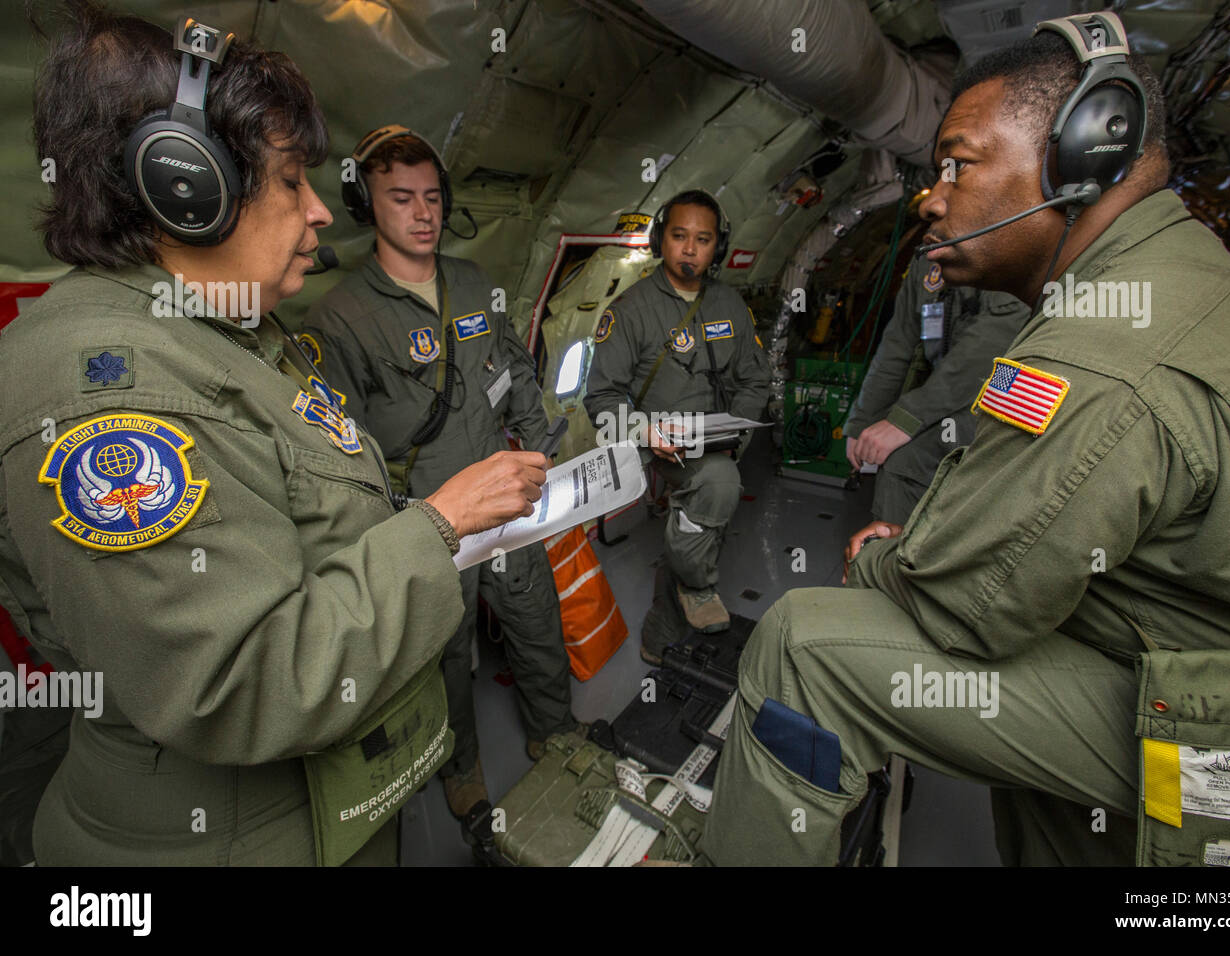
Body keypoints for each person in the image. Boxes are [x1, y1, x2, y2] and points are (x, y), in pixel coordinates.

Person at [699, 13, 1230, 866]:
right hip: (1217, 653)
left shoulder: (1103, 356)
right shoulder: (1178, 278)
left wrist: (885, 559)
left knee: (803, 648)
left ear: (1083, 153)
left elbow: (967, 605)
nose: (930, 194)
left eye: (958, 164)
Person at [0, 4, 545, 865]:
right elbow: (242, 682)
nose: (322, 212)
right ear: (185, 183)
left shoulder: (229, 329)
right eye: (292, 180)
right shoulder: (110, 395)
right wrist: (437, 525)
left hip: (334, 798)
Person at [301, 128, 581, 820]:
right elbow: (340, 451)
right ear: (366, 204)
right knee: (444, 652)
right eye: (400, 198)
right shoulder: (339, 320)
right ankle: (460, 766)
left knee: (536, 620)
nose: (422, 213)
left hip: (507, 501)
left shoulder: (476, 285)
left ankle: (557, 734)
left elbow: (515, 368)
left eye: (431, 197)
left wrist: (547, 442)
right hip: (427, 517)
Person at [583, 190, 771, 651]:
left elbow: (755, 379)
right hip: (656, 436)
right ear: (660, 240)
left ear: (717, 248)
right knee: (719, 486)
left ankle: (662, 634)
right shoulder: (631, 310)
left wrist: (735, 435)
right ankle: (697, 586)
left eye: (702, 239)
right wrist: (644, 430)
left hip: (717, 436)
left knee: (701, 518)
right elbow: (601, 396)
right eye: (679, 236)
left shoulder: (730, 305)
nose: (690, 249)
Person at [845, 263, 1028, 524]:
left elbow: (981, 356)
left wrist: (905, 420)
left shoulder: (1008, 253)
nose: (932, 221)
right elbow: (896, 348)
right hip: (942, 392)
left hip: (1004, 390)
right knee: (899, 460)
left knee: (908, 463)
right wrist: (861, 423)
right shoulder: (925, 263)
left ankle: (908, 559)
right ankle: (891, 555)